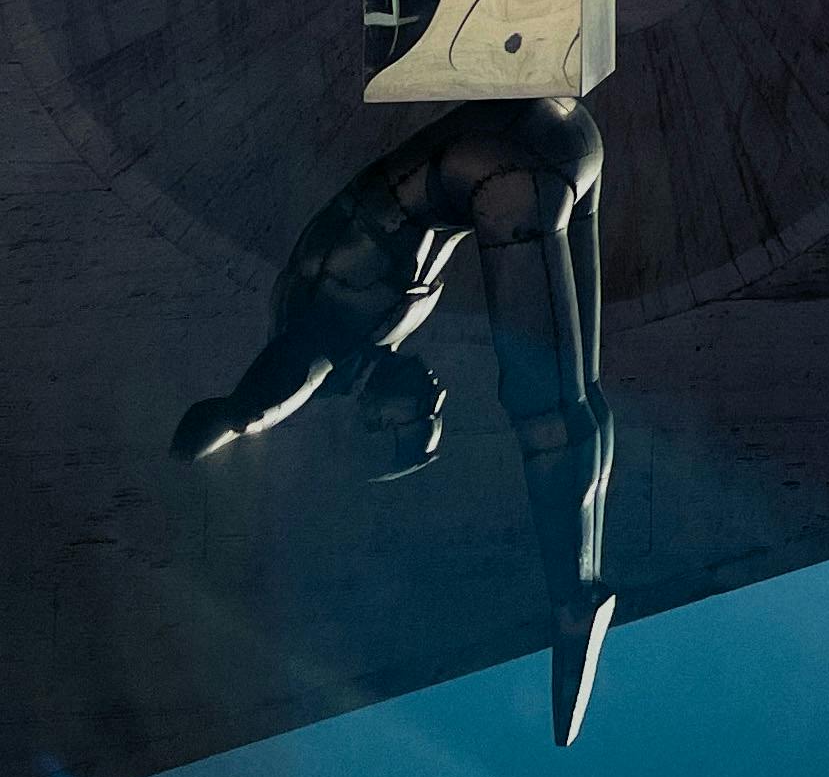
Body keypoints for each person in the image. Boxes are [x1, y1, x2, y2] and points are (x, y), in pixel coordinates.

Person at [172, 97, 617, 743]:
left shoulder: (328, 333)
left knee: (544, 406)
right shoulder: (366, 337)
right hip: (565, 141)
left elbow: (289, 377)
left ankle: (575, 598)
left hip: (509, 160)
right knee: (583, 396)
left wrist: (239, 418)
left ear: (375, 422)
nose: (436, 398)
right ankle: (581, 584)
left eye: (421, 421)